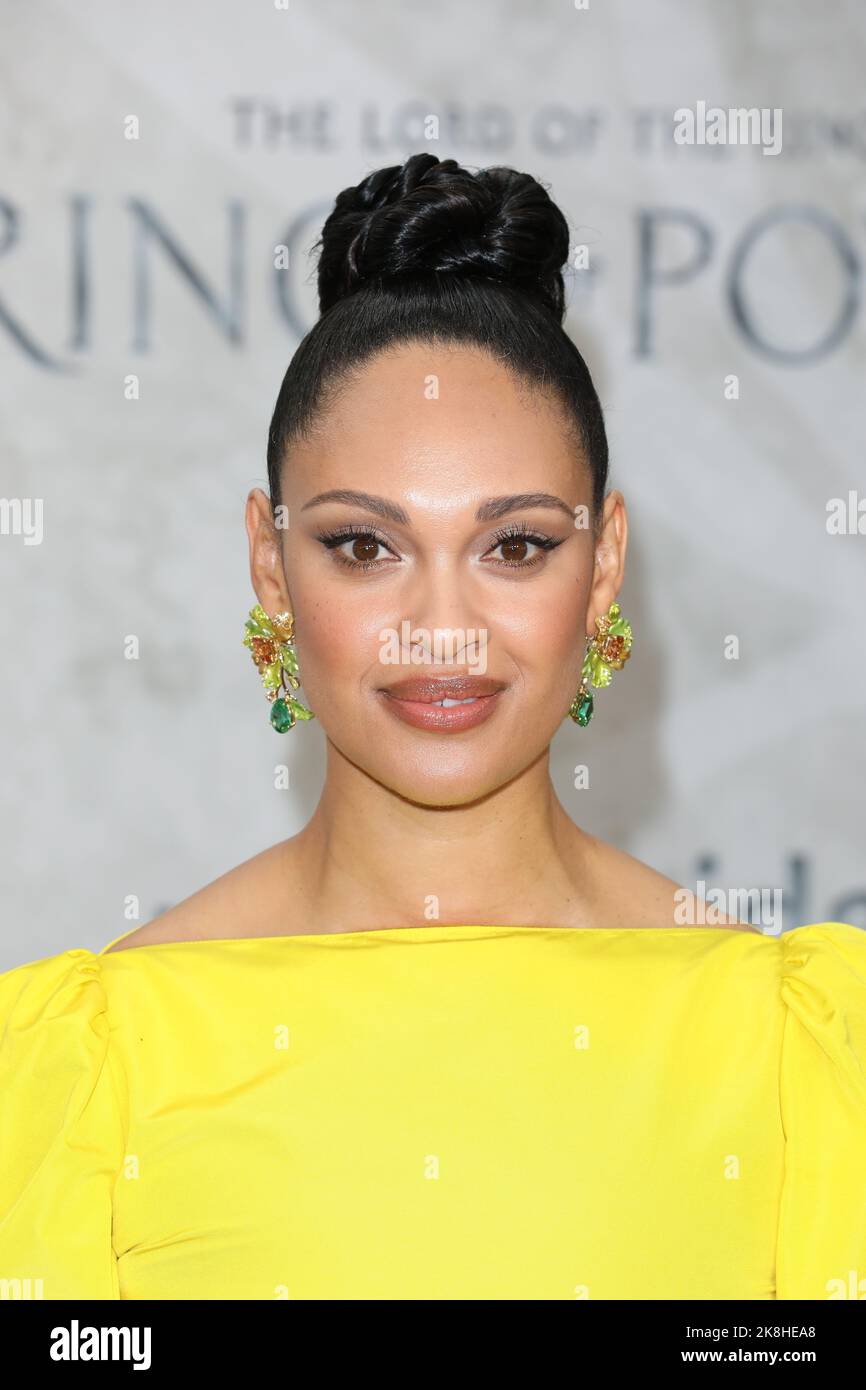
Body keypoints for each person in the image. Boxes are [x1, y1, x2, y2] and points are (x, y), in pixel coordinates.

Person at [1, 154, 864, 1301]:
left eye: (515, 546)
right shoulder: (84, 1065)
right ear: (270, 562)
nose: (442, 629)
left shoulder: (796, 1049)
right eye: (364, 545)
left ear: (603, 561)